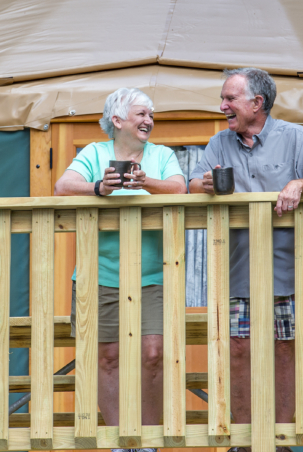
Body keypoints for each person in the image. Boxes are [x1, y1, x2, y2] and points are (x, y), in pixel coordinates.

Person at [189, 68, 303, 450]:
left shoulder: (296, 136)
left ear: (257, 103)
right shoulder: (219, 142)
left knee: (285, 350)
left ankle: (281, 441)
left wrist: (299, 183)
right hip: (237, 267)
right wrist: (202, 183)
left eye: (230, 99)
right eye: (223, 99)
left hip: (291, 267)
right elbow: (193, 183)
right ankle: (246, 440)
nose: (223, 106)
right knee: (238, 349)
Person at [54, 87, 186, 452]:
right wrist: (99, 187)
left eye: (151, 115)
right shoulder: (94, 153)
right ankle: (119, 442)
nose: (149, 121)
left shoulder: (160, 155)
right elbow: (62, 186)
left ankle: (146, 442)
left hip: (154, 274)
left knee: (153, 353)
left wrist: (147, 182)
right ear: (117, 120)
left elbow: (178, 189)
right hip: (100, 275)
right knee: (107, 357)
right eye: (142, 114)